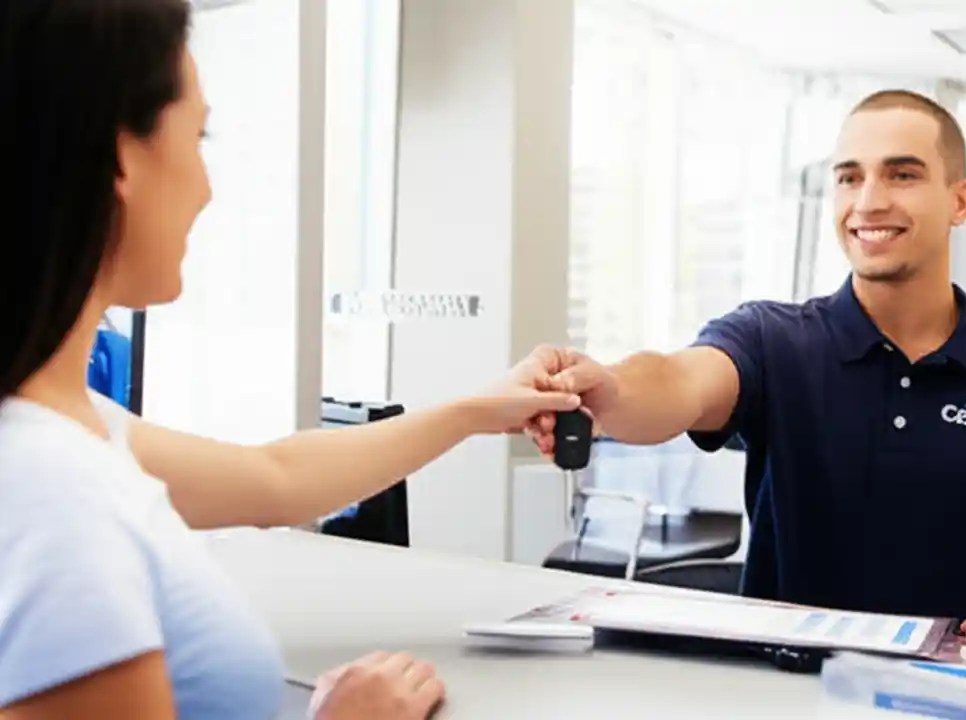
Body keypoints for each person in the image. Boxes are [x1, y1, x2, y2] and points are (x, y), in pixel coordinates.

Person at [0, 1, 580, 718]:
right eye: (199, 135)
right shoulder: (55, 492)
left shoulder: (65, 431)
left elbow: (275, 478)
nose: (209, 189)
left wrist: (474, 412)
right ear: (122, 156)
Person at [528, 90, 966, 657]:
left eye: (902, 173)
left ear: (960, 201)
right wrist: (608, 389)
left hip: (951, 700)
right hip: (782, 697)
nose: (868, 200)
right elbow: (677, 382)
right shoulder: (772, 340)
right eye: (849, 176)